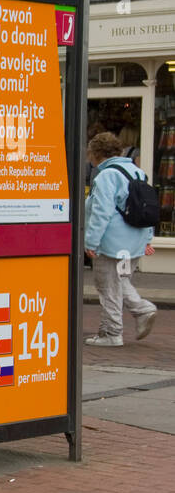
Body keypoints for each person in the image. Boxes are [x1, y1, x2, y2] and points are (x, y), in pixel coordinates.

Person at [83, 131, 157, 346]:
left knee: (107, 285)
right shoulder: (136, 172)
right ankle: (142, 311)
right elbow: (146, 206)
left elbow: (101, 211)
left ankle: (112, 333)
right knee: (120, 281)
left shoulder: (106, 175)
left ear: (96, 153)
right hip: (135, 240)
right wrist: (148, 238)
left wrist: (91, 242)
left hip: (112, 242)